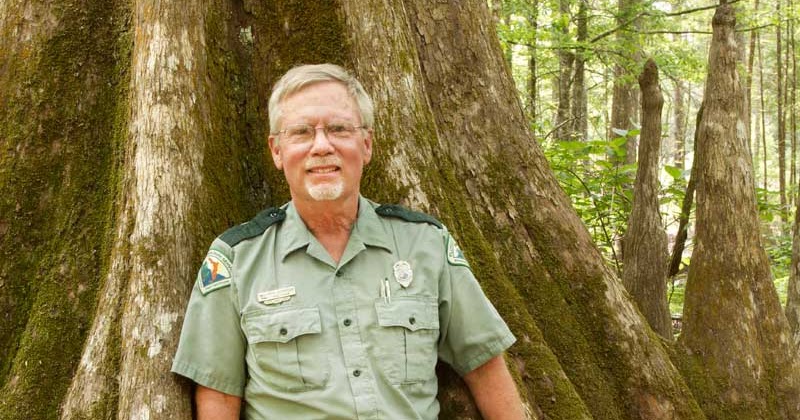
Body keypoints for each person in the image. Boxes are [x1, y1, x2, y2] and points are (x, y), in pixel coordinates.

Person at [171, 63, 524, 419]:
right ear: (277, 151)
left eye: (339, 129)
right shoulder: (237, 259)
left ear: (366, 144)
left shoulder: (425, 245)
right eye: (302, 132)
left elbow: (484, 366)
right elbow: (219, 396)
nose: (322, 146)